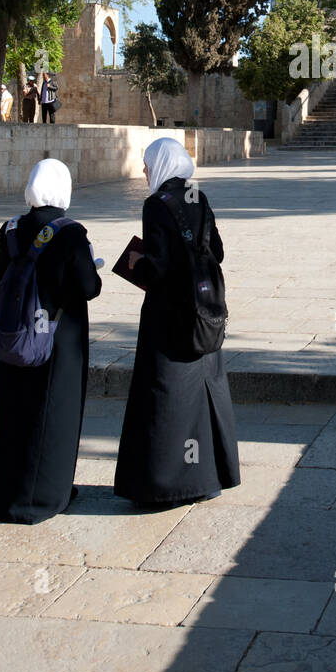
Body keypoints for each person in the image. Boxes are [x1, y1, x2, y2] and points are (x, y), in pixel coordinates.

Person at [114, 137, 240, 506]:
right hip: (203, 312)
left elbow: (159, 264)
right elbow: (216, 251)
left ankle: (165, 483)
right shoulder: (196, 196)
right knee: (202, 391)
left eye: (148, 164)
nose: (145, 170)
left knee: (165, 393)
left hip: (169, 316)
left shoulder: (156, 205)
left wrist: (136, 263)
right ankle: (207, 477)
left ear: (161, 165)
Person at [0, 159, 102, 523]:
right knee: (51, 416)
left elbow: (3, 275)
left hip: (17, 334)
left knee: (13, 414)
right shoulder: (69, 232)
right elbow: (87, 288)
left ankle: (5, 492)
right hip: (58, 339)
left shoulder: (11, 228)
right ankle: (45, 495)